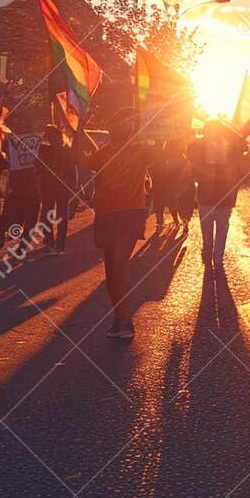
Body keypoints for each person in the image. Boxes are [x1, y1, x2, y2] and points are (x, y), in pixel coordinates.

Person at [79, 107, 152, 339]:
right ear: (113, 127)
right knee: (111, 269)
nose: (126, 127)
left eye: (130, 124)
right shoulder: (103, 153)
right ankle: (118, 318)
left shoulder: (141, 151)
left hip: (131, 213)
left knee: (120, 263)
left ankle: (126, 320)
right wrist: (77, 130)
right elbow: (81, 159)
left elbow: (164, 147)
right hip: (106, 214)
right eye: (122, 123)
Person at [189, 120, 248, 271]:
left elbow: (243, 156)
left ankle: (215, 255)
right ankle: (212, 254)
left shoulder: (231, 146)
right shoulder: (199, 146)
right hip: (212, 193)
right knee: (212, 227)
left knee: (217, 226)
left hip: (222, 193)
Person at [0, 137, 43, 257]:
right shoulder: (33, 156)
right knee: (14, 222)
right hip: (23, 195)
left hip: (23, 194)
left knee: (8, 222)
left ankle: (0, 247)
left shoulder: (32, 157)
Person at [36, 124, 75, 253]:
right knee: (61, 214)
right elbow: (71, 170)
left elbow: (38, 168)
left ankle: (49, 240)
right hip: (63, 187)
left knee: (47, 213)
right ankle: (60, 243)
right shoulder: (67, 149)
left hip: (48, 186)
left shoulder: (43, 150)